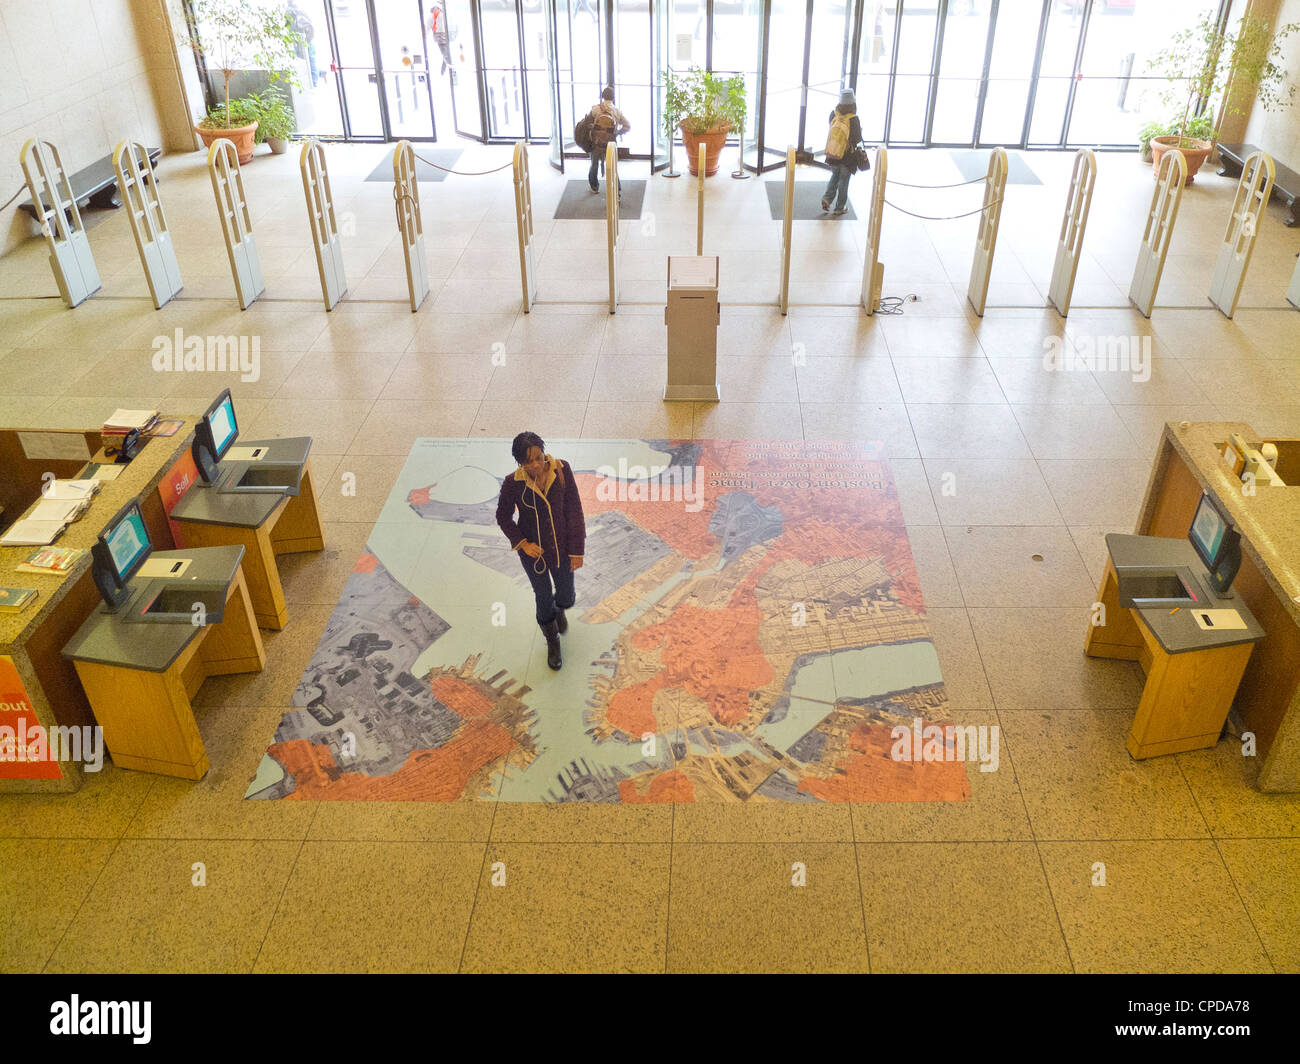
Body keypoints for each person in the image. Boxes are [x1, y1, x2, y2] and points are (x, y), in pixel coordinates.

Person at [495, 432, 586, 671]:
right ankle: (552, 640)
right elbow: (502, 517)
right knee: (543, 595)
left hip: (562, 548)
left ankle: (560, 609)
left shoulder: (562, 470)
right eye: (528, 461)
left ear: (543, 451)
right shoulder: (512, 483)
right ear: (520, 463)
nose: (535, 465)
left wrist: (577, 550)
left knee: (566, 594)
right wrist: (523, 543)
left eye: (538, 457)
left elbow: (574, 510)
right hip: (534, 553)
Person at [822, 89, 863, 216]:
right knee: (844, 181)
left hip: (833, 153)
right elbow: (857, 139)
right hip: (847, 157)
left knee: (835, 176)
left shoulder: (833, 114)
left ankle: (827, 199)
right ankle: (840, 207)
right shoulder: (853, 119)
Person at [586, 87, 630, 194]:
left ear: (602, 96)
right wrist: (617, 132)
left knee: (594, 164)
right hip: (610, 144)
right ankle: (617, 190)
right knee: (613, 167)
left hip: (596, 143)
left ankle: (594, 186)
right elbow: (627, 126)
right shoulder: (616, 111)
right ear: (613, 98)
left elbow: (587, 123)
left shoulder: (595, 109)